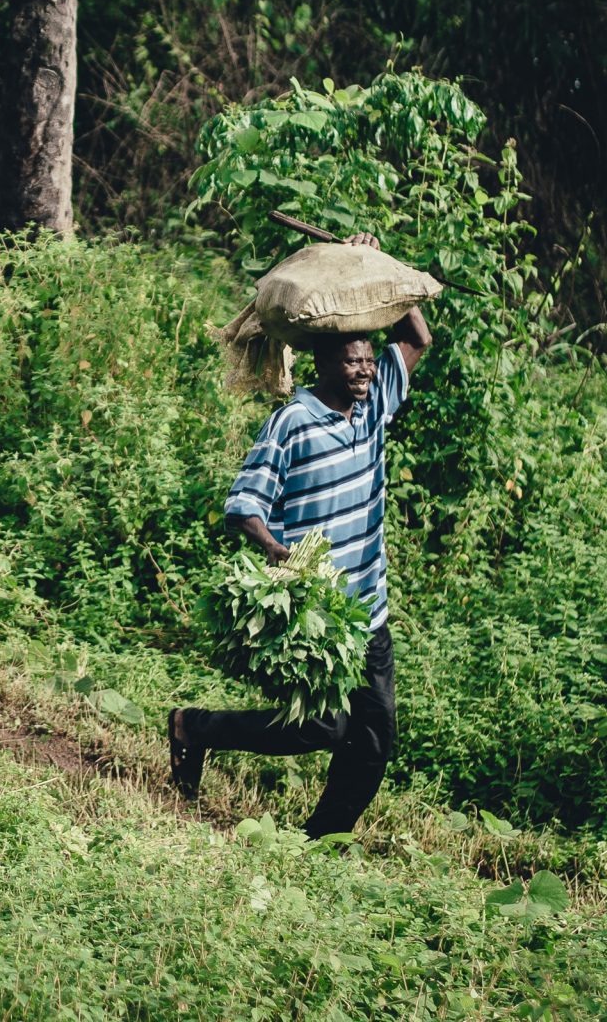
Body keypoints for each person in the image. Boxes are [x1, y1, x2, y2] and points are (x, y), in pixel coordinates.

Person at [168, 232, 434, 836]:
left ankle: (321, 842)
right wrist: (277, 551)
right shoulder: (292, 422)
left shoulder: (374, 406)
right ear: (324, 364)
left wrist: (371, 261)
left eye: (369, 360)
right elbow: (244, 507)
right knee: (321, 727)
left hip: (368, 610)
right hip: (319, 614)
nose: (365, 370)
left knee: (374, 739)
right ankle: (193, 727)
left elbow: (416, 337)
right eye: (353, 361)